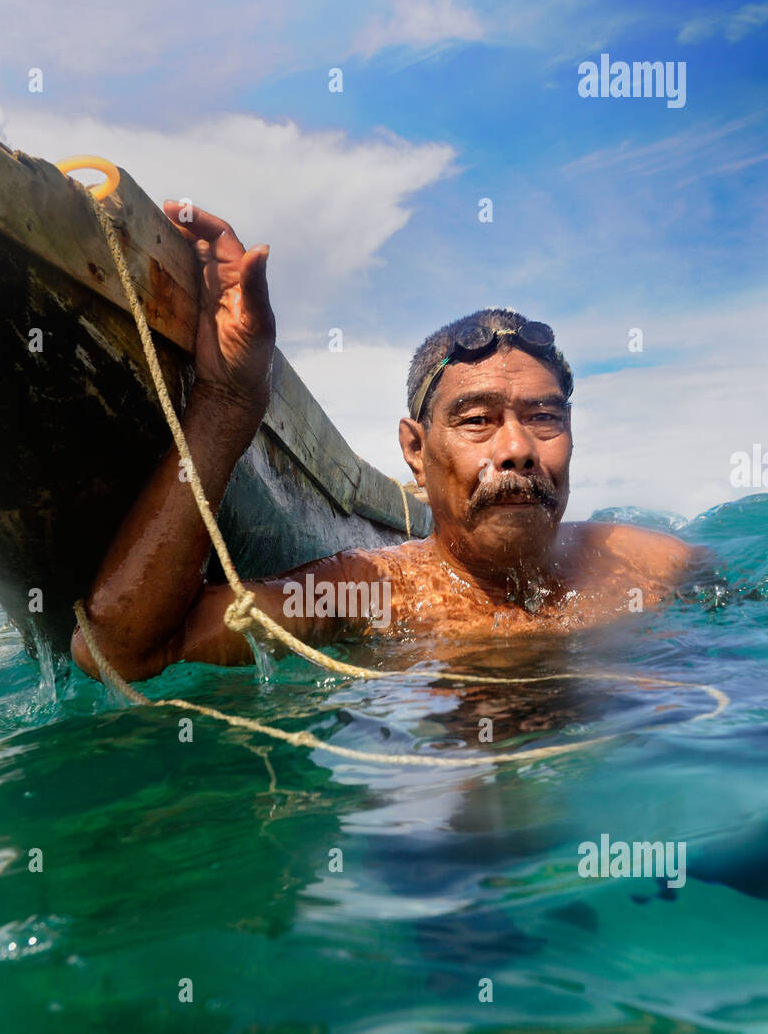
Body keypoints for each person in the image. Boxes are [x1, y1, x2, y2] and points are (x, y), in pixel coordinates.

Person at [72, 204, 702, 683]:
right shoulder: (368, 593)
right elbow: (121, 650)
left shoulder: (654, 565)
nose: (517, 449)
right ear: (414, 451)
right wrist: (227, 405)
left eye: (544, 418)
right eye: (477, 420)